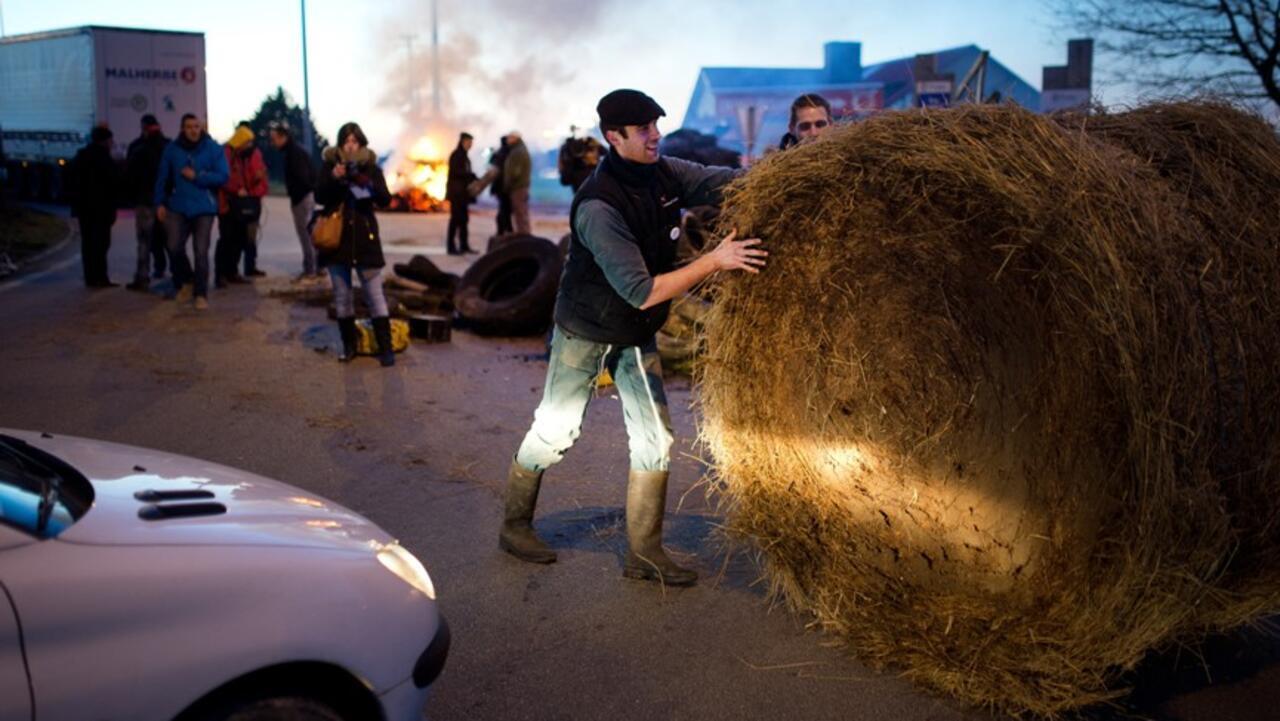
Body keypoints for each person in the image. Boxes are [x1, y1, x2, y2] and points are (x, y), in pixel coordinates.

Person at [498, 89, 767, 586]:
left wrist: (780, 171)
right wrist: (714, 260)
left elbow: (721, 182)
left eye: (655, 125)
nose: (655, 136)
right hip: (586, 331)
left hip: (634, 334)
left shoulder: (663, 173)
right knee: (556, 434)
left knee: (656, 438)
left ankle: (643, 552)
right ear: (612, 137)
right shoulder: (598, 207)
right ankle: (515, 524)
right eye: (643, 129)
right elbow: (642, 291)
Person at [315, 122, 396, 367]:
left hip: (365, 239)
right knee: (342, 296)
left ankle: (386, 349)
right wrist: (333, 178)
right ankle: (349, 347)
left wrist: (366, 183)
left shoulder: (371, 166)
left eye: (354, 141)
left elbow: (385, 199)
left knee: (374, 295)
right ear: (340, 144)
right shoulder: (330, 164)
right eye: (346, 141)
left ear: (361, 143)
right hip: (337, 241)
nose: (350, 145)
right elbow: (319, 195)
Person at [154, 114, 229, 310]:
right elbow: (162, 177)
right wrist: (159, 202)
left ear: (201, 128)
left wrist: (198, 176)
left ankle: (201, 293)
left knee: (201, 251)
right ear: (182, 129)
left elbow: (223, 176)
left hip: (204, 207)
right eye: (189, 127)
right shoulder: (172, 149)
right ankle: (187, 280)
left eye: (197, 126)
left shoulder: (213, 148)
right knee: (173, 246)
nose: (193, 130)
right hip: (178, 206)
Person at [215, 122, 267, 286]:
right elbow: (222, 177)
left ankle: (232, 272)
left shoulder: (244, 154)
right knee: (226, 239)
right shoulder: (226, 153)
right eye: (248, 142)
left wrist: (255, 182)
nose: (250, 145)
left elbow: (254, 176)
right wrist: (237, 189)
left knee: (240, 238)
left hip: (242, 203)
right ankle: (221, 274)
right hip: (227, 204)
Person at [69, 125, 121, 288]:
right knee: (101, 244)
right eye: (110, 140)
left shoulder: (81, 156)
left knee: (88, 243)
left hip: (85, 209)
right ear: (105, 141)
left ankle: (90, 277)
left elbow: (72, 182)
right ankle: (101, 277)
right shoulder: (104, 159)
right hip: (101, 209)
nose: (112, 143)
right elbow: (113, 183)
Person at [124, 114, 170, 291]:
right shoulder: (169, 147)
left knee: (144, 241)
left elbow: (129, 176)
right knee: (169, 240)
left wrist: (131, 197)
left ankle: (142, 277)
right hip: (166, 202)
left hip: (145, 201)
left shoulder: (137, 148)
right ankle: (176, 274)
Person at [269, 121, 319, 280]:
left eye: (275, 138)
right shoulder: (294, 151)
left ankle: (311, 269)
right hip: (303, 196)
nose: (273, 142)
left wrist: (298, 195)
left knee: (306, 234)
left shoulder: (294, 154)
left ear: (283, 137)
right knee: (308, 234)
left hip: (302, 198)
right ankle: (316, 267)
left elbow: (303, 178)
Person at [445, 132, 477, 255]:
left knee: (464, 220)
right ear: (463, 141)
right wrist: (470, 175)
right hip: (456, 194)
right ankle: (451, 247)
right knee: (455, 220)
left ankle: (464, 245)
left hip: (463, 194)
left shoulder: (464, 156)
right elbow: (456, 172)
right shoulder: (456, 155)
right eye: (469, 142)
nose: (471, 145)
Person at [503, 130, 532, 234]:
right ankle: (523, 234)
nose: (507, 140)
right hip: (520, 186)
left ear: (515, 138)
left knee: (520, 213)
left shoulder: (518, 152)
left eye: (509, 138)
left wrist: (507, 184)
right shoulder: (518, 150)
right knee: (521, 212)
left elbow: (515, 172)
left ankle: (524, 235)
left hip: (518, 187)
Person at [489, 136, 514, 235]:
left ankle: (503, 229)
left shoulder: (499, 153)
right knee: (505, 209)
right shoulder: (507, 153)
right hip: (503, 187)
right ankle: (505, 229)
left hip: (499, 187)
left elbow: (491, 162)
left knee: (503, 208)